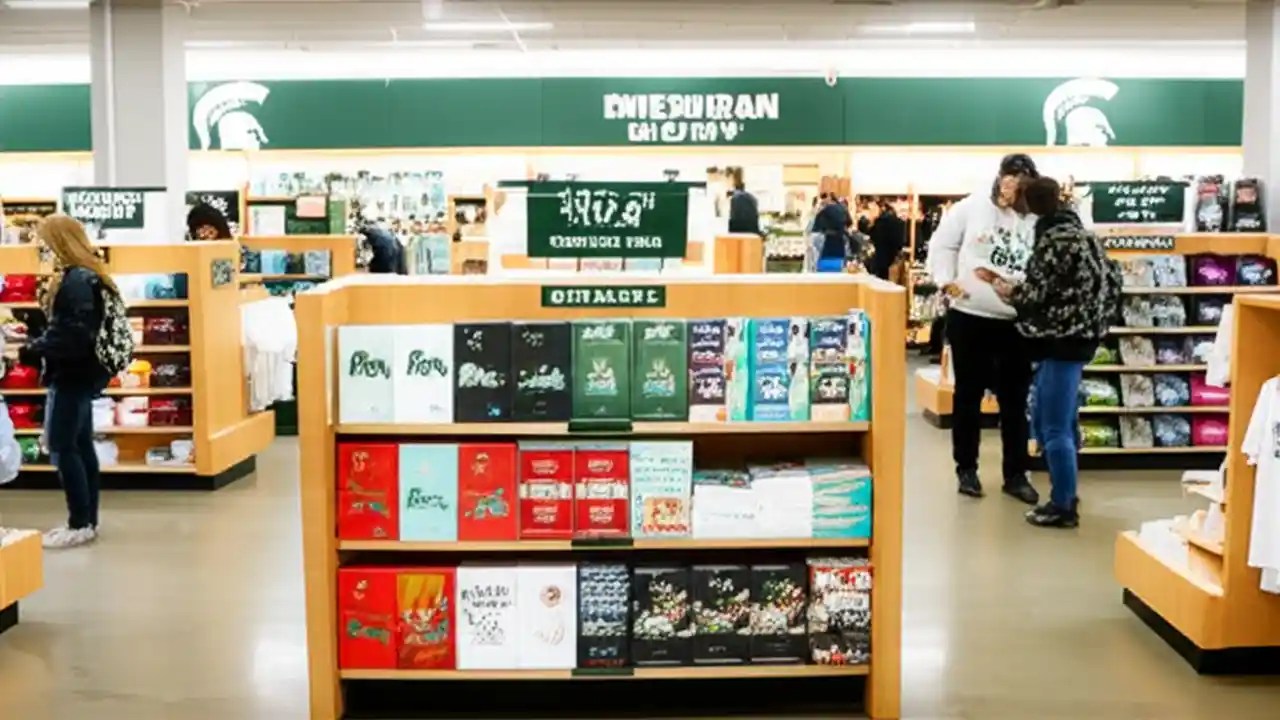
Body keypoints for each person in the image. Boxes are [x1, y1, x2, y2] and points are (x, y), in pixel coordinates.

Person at [980, 177, 1121, 528]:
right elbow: (1113, 283)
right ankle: (1067, 489)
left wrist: (1002, 289)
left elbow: (1034, 295)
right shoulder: (1086, 237)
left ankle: (1063, 504)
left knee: (1053, 426)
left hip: (1059, 343)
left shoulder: (1054, 241)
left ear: (1031, 204)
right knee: (1060, 420)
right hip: (1082, 339)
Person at [927, 153, 1040, 503]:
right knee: (968, 397)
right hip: (969, 316)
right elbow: (942, 244)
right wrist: (946, 282)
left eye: (1020, 186)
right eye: (1008, 183)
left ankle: (1016, 474)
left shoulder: (1036, 215)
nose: (1012, 193)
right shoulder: (971, 207)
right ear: (999, 180)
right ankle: (967, 469)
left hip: (1015, 322)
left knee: (1014, 401)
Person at [19, 215, 116, 548]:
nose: (40, 248)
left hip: (70, 372)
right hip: (84, 372)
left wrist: (30, 351)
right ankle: (88, 520)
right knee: (80, 444)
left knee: (62, 446)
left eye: (44, 241)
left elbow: (71, 335)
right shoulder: (90, 276)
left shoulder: (75, 281)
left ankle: (79, 522)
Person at [811, 194, 853, 272]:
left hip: (826, 236)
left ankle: (816, 269)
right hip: (840, 237)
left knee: (819, 256)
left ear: (830, 199)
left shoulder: (825, 209)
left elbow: (818, 223)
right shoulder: (843, 208)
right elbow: (850, 222)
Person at [869, 200, 906, 281]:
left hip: (881, 256)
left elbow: (873, 237)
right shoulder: (898, 222)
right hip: (892, 256)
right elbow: (900, 241)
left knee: (881, 278)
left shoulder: (879, 222)